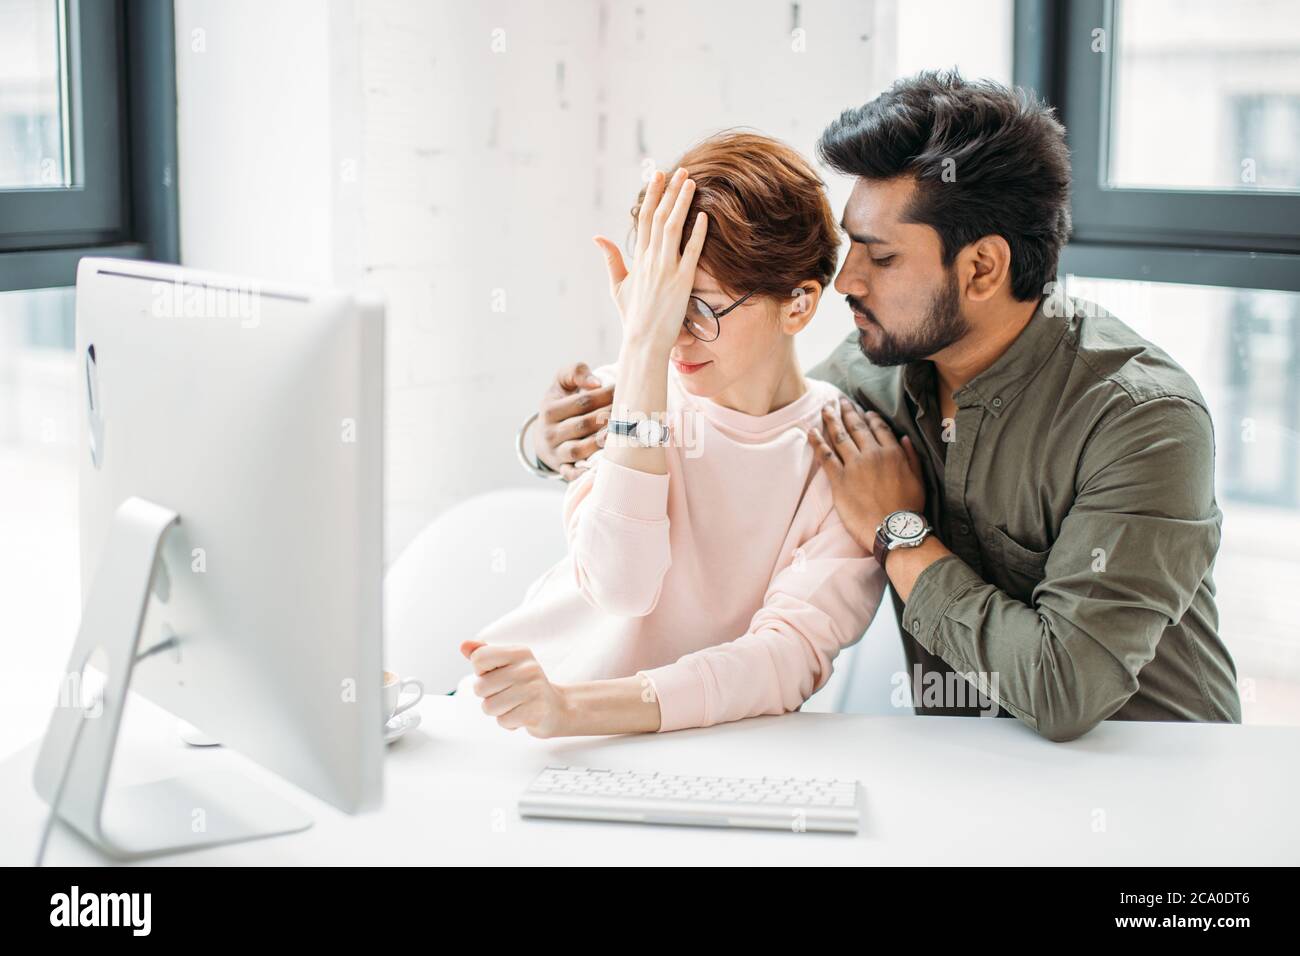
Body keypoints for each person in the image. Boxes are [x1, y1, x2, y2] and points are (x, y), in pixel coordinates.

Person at [523, 72, 1241, 742]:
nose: (844, 281)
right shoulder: (875, 378)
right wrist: (552, 439)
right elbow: (735, 398)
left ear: (983, 267)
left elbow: (1066, 687)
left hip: (1155, 768)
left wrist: (900, 534)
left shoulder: (1144, 422)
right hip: (962, 760)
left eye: (881, 256)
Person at [463, 131, 887, 737]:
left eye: (702, 308)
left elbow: (783, 661)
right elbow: (620, 585)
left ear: (798, 304)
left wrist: (576, 710)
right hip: (502, 715)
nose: (675, 337)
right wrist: (640, 346)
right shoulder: (635, 389)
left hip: (640, 742)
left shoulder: (844, 458)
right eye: (662, 304)